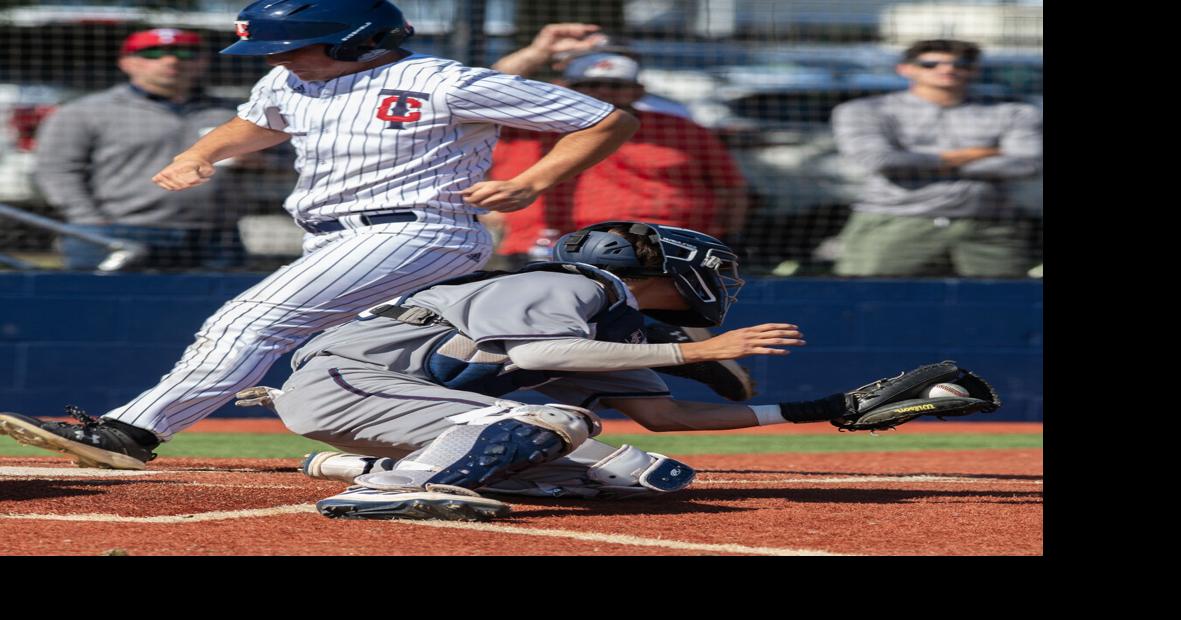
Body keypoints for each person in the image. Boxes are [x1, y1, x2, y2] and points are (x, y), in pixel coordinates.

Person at [0, 0, 639, 470]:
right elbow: (253, 123)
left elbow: (605, 118)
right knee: (365, 363)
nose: (273, 58)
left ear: (353, 42)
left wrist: (533, 180)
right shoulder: (290, 80)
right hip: (335, 236)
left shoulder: (442, 81)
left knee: (253, 321)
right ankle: (523, 445)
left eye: (286, 47)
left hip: (417, 228)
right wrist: (203, 154)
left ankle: (130, 433)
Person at [229, 221, 997, 521]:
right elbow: (538, 357)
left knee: (647, 473)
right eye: (708, 271)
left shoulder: (614, 328)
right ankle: (381, 487)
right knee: (560, 420)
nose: (718, 285)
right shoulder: (568, 288)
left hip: (403, 407)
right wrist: (694, 353)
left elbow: (669, 420)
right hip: (347, 382)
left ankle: (354, 460)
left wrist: (825, 407)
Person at [485, 30, 749, 266]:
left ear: (638, 91)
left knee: (677, 320)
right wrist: (538, 53)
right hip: (547, 251)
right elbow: (490, 90)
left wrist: (729, 238)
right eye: (589, 85)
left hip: (659, 254)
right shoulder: (529, 127)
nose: (602, 92)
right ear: (563, 88)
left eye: (615, 85)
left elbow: (730, 188)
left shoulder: (679, 129)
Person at [33, 28, 257, 270]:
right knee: (102, 306)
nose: (171, 60)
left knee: (220, 308)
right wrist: (89, 221)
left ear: (203, 62)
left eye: (185, 52)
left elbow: (291, 158)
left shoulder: (239, 113)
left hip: (214, 235)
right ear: (127, 62)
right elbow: (56, 171)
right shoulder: (85, 111)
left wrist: (261, 162)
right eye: (153, 53)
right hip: (119, 230)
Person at [830, 39, 1042, 277]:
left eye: (960, 64)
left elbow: (1026, 165)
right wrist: (968, 156)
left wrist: (926, 163)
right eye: (930, 64)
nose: (947, 70)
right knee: (870, 300)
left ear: (975, 69)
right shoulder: (864, 110)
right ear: (906, 69)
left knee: (1000, 306)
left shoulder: (1014, 112)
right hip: (894, 220)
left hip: (988, 224)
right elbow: (878, 160)